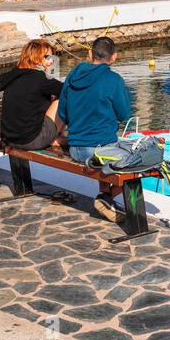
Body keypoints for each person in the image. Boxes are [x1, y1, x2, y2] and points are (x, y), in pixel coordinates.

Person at [58, 36, 132, 221]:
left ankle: (107, 201)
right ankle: (105, 199)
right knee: (136, 166)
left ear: (90, 53)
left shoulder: (73, 76)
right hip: (101, 148)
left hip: (76, 149)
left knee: (105, 157)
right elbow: (124, 114)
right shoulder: (114, 80)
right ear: (113, 57)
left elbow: (63, 112)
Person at [0, 39, 66, 151]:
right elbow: (66, 90)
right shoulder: (40, 78)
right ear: (36, 58)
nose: (52, 61)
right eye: (47, 57)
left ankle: (55, 137)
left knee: (51, 97)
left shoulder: (13, 75)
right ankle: (59, 138)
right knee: (64, 98)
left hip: (9, 138)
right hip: (30, 141)